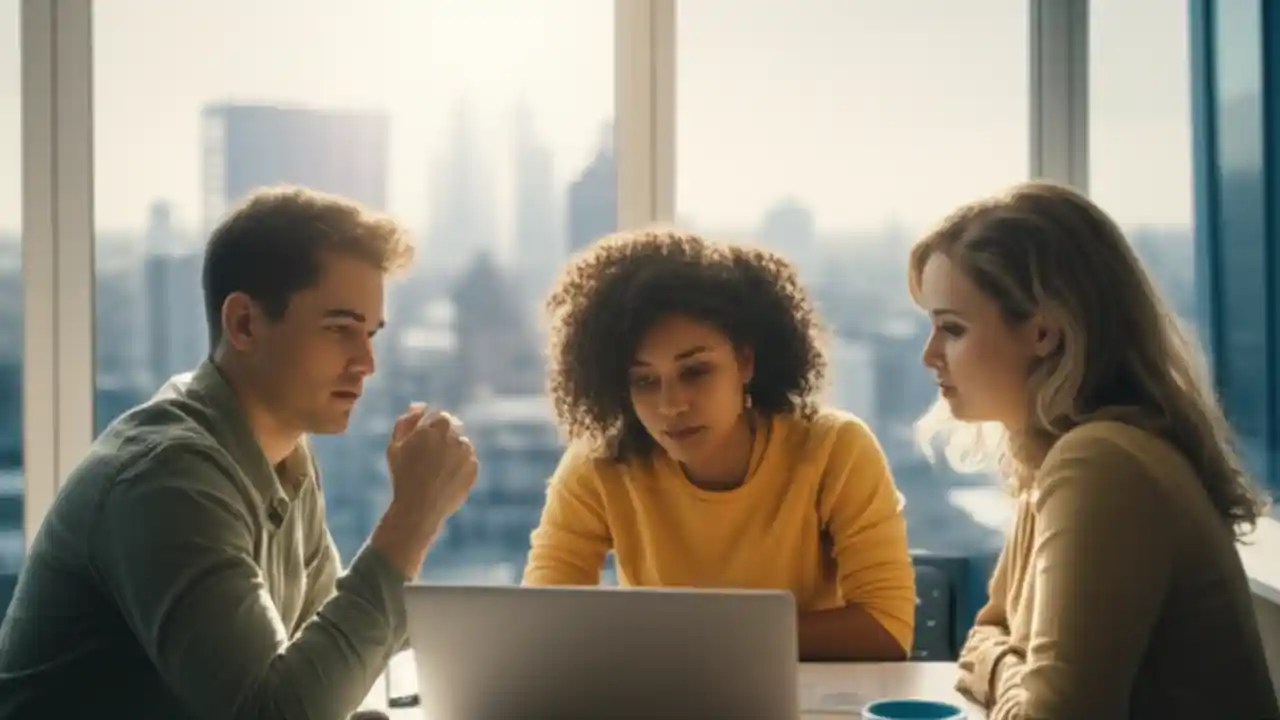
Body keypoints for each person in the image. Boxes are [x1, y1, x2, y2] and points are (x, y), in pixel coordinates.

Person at [0, 187, 478, 718]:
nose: (367, 361)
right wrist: (411, 519)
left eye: (370, 333)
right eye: (340, 329)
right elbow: (275, 713)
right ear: (245, 324)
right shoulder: (168, 477)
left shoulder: (285, 459)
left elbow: (329, 669)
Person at [911, 181, 1279, 718]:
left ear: (1043, 333)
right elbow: (986, 632)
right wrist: (1006, 662)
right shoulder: (1062, 460)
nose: (929, 355)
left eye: (952, 328)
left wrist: (997, 664)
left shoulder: (1101, 465)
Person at [522, 229, 916, 661]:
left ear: (744, 362)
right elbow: (542, 622)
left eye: (695, 371)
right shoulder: (599, 465)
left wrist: (690, 643)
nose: (671, 404)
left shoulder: (834, 449)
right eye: (645, 381)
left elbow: (887, 627)